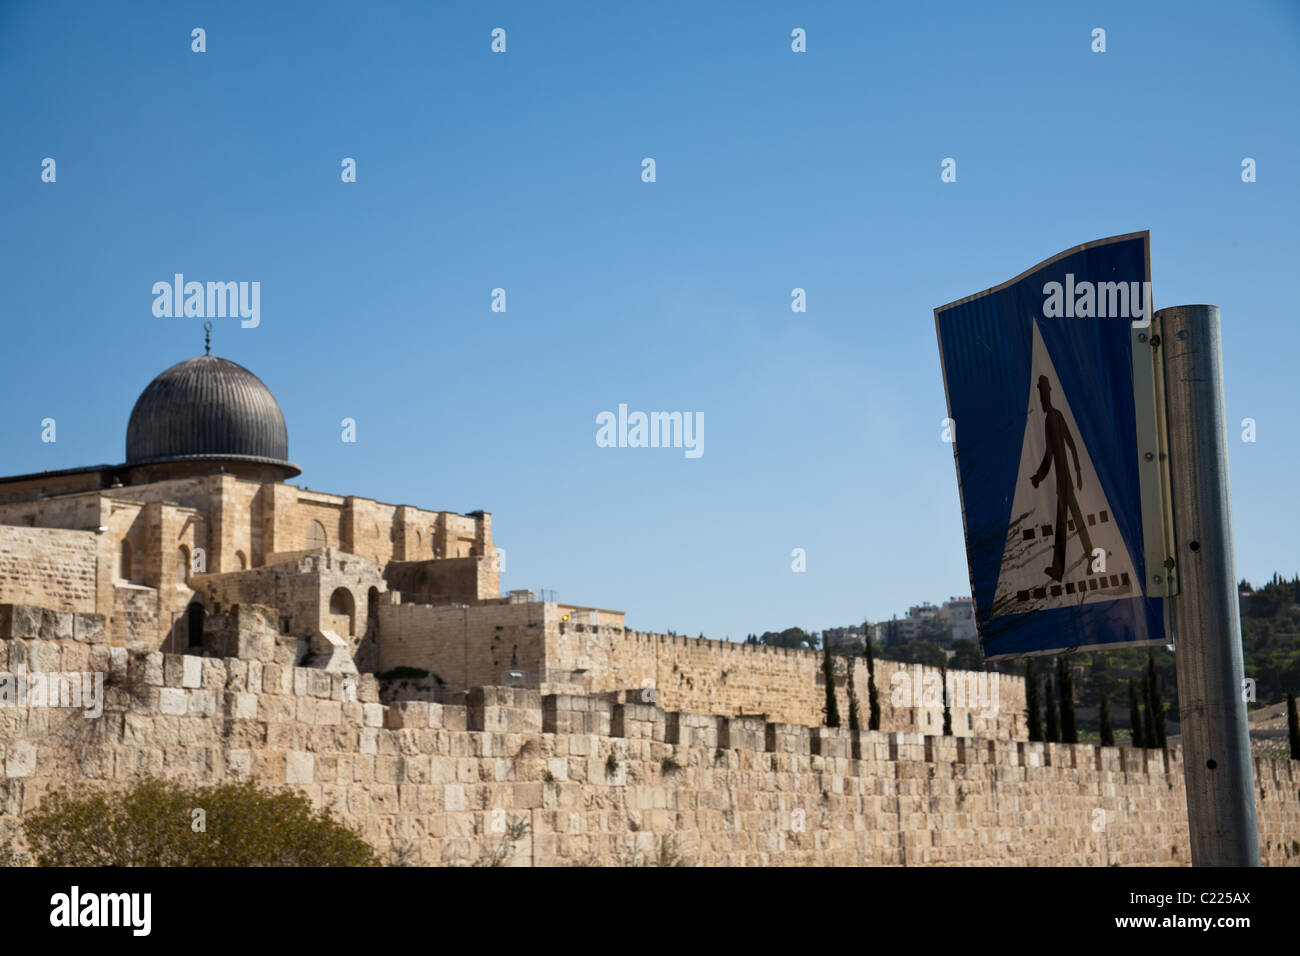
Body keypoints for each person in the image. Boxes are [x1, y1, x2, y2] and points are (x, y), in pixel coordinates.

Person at [1029, 376, 1093, 582]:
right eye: (1040, 394)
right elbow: (1059, 450)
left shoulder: (1052, 417)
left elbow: (1061, 448)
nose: (1041, 398)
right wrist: (1040, 476)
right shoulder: (1054, 416)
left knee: (1062, 523)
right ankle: (1088, 558)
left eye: (1043, 393)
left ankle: (1059, 569)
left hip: (1064, 482)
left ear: (1047, 393)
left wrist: (1078, 471)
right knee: (1072, 520)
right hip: (1064, 481)